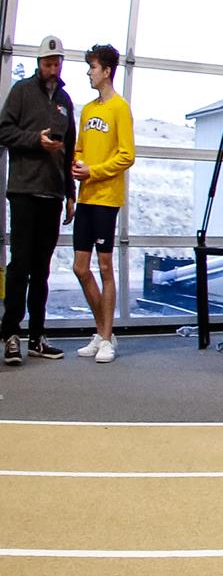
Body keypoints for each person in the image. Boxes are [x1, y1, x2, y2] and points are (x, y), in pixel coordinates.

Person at [0, 36, 76, 366]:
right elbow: (3, 131)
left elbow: (70, 150)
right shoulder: (21, 91)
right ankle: (10, 335)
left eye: (57, 63)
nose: (53, 69)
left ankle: (37, 337)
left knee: (42, 269)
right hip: (24, 191)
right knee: (20, 265)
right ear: (39, 63)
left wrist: (70, 193)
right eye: (48, 64)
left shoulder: (65, 101)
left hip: (52, 193)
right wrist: (35, 140)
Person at [68, 44, 133, 363]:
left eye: (92, 67)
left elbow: (127, 155)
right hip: (86, 197)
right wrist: (77, 163)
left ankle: (106, 338)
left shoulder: (120, 108)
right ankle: (102, 331)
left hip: (107, 199)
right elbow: (80, 147)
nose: (88, 73)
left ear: (107, 71)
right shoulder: (88, 110)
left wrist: (95, 171)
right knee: (80, 267)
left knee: (105, 266)